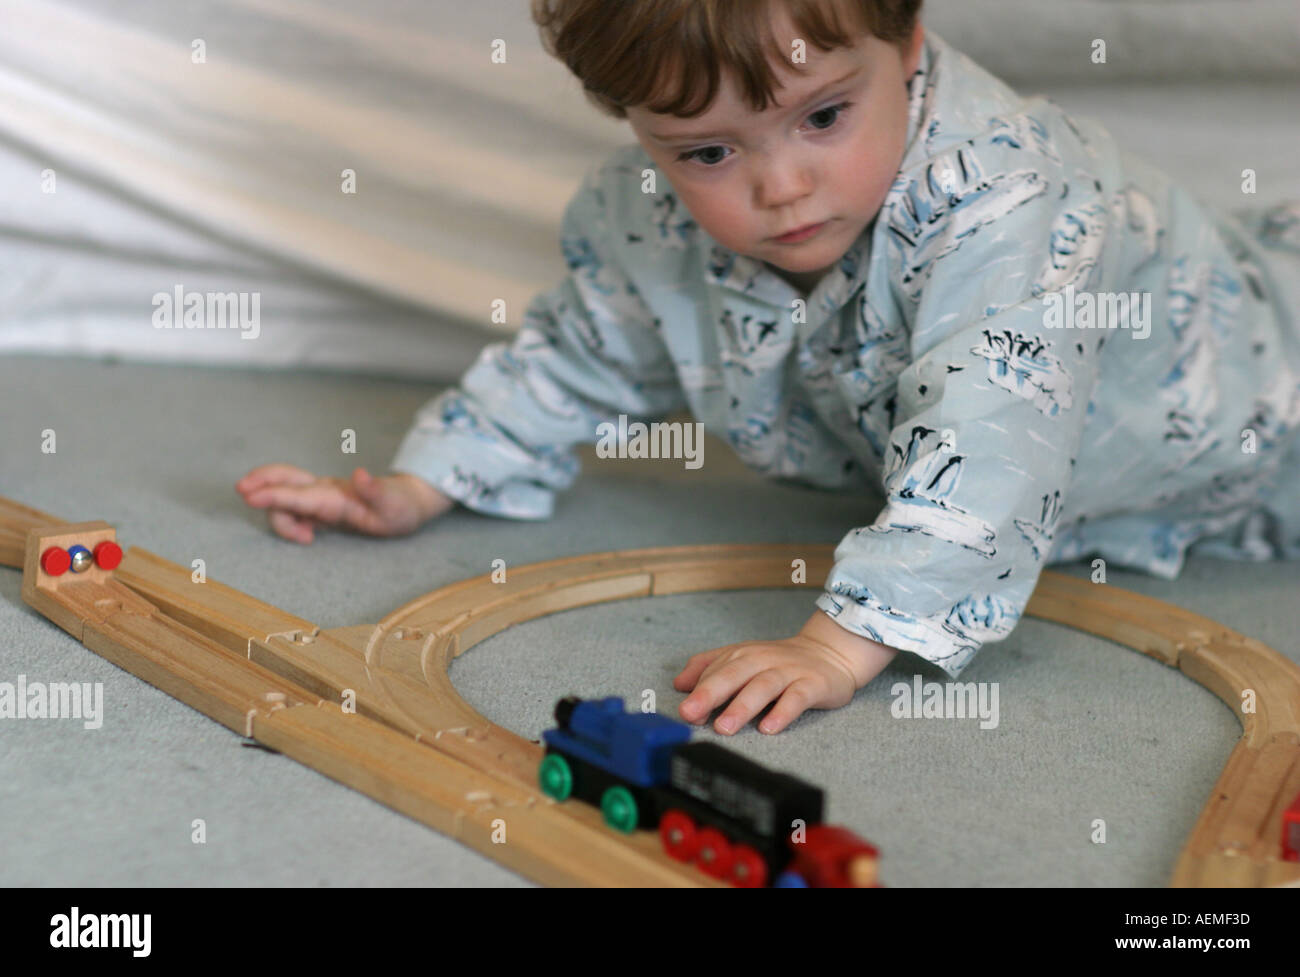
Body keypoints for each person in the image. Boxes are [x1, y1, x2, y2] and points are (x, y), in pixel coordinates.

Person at [238, 0, 1300, 737]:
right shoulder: (645, 210)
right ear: (642, 133)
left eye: (823, 116)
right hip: (1126, 478)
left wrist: (839, 645)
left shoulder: (1009, 196)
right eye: (706, 151)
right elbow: (583, 344)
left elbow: (989, 434)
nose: (781, 185)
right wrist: (425, 480)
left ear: (908, 41)